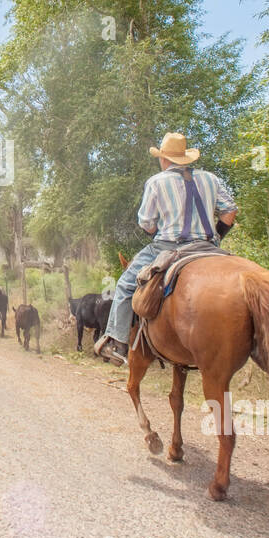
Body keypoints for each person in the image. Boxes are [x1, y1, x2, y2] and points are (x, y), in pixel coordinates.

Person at [93, 132, 237, 365]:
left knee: (124, 285)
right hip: (208, 247)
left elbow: (147, 223)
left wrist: (159, 229)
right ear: (186, 158)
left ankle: (118, 343)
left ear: (163, 159)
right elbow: (229, 211)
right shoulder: (211, 179)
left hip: (168, 247)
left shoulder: (157, 182)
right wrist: (216, 237)